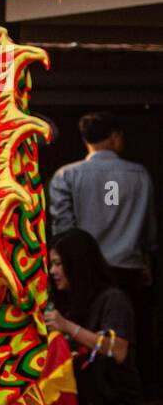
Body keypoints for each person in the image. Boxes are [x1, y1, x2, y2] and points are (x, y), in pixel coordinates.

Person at [48, 111, 157, 383]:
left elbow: (63, 231)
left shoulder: (66, 176)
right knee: (128, 342)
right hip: (128, 271)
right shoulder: (139, 175)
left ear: (84, 139)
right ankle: (133, 396)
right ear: (115, 137)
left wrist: (65, 264)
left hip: (85, 275)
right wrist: (147, 259)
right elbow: (148, 226)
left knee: (87, 344)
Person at [45, 229, 145, 405]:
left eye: (58, 264)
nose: (53, 271)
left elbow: (117, 349)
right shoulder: (72, 301)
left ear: (77, 264)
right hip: (86, 402)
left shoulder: (114, 300)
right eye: (51, 264)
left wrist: (69, 328)